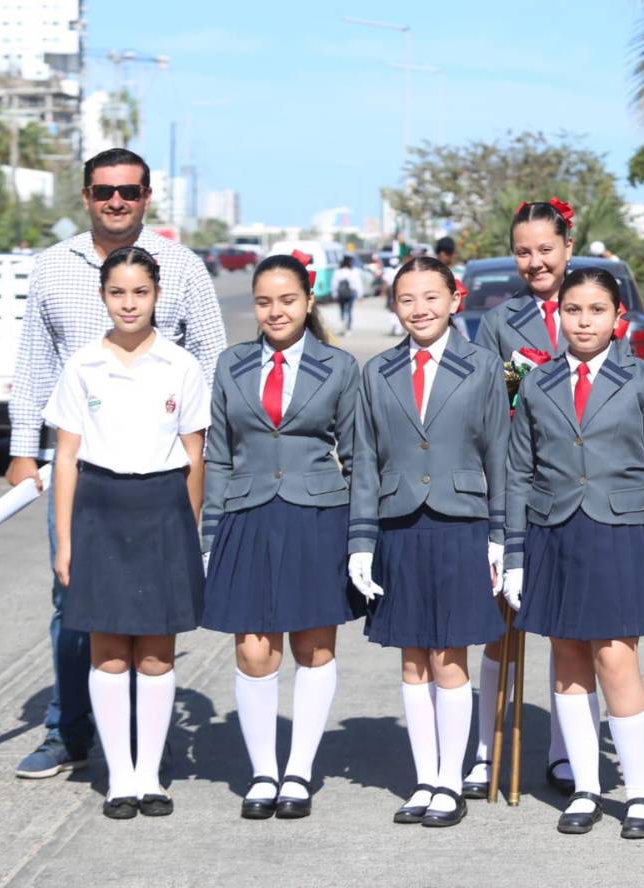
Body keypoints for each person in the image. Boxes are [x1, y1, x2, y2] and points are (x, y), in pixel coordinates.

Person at [7, 147, 225, 780]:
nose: (116, 201)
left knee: (154, 613)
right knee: (72, 598)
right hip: (85, 468)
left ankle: (141, 744)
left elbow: (212, 362)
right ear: (86, 196)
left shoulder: (181, 266)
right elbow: (33, 363)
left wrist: (207, 469)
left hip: (159, 476)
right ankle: (69, 732)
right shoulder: (53, 267)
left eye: (129, 191)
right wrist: (23, 449)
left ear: (146, 197)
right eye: (104, 191)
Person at [503, 267, 644, 839]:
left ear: (617, 317)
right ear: (558, 314)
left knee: (615, 659)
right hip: (553, 533)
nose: (584, 321)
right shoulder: (538, 383)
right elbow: (519, 472)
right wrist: (515, 556)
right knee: (568, 659)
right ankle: (585, 787)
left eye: (596, 310)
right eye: (573, 310)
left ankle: (640, 791)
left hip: (619, 534)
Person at [43, 246, 209, 818]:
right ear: (102, 297)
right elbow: (67, 458)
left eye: (140, 292)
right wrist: (66, 541)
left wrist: (189, 528)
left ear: (157, 295)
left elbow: (194, 454)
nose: (129, 303)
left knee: (157, 653)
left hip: (163, 508)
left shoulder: (180, 365)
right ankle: (119, 777)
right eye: (118, 292)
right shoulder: (83, 365)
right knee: (109, 653)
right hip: (99, 510)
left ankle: (150, 775)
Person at [348, 256, 509, 828]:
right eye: (407, 299)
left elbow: (501, 455)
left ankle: (450, 781)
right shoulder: (377, 371)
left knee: (448, 655)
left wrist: (501, 536)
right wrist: (360, 540)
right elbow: (364, 458)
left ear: (455, 299)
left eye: (431, 297)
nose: (420, 309)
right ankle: (424, 779)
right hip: (398, 524)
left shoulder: (484, 366)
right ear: (394, 305)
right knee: (412, 657)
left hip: (461, 522)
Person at [201, 254, 363, 820]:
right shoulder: (231, 364)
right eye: (265, 301)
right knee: (254, 650)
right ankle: (263, 771)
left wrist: (360, 537)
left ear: (308, 301)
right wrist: (210, 534)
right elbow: (219, 455)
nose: (276, 311)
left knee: (313, 647)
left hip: (316, 517)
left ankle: (298, 770)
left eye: (288, 300)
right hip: (247, 517)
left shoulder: (339, 367)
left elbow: (358, 456)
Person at [466, 198, 577, 798]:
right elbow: (487, 408)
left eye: (545, 249)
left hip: (576, 488)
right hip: (515, 486)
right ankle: (487, 750)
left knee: (567, 628)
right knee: (500, 627)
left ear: (567, 246)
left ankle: (564, 752)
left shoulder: (592, 305)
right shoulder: (499, 321)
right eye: (523, 252)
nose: (536, 262)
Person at [332, 255, 359, 332]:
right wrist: (359, 294)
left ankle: (343, 323)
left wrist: (334, 293)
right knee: (349, 310)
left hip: (341, 293)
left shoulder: (338, 271)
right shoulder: (353, 271)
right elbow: (357, 283)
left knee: (342, 309)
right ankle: (348, 326)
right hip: (351, 293)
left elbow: (334, 283)